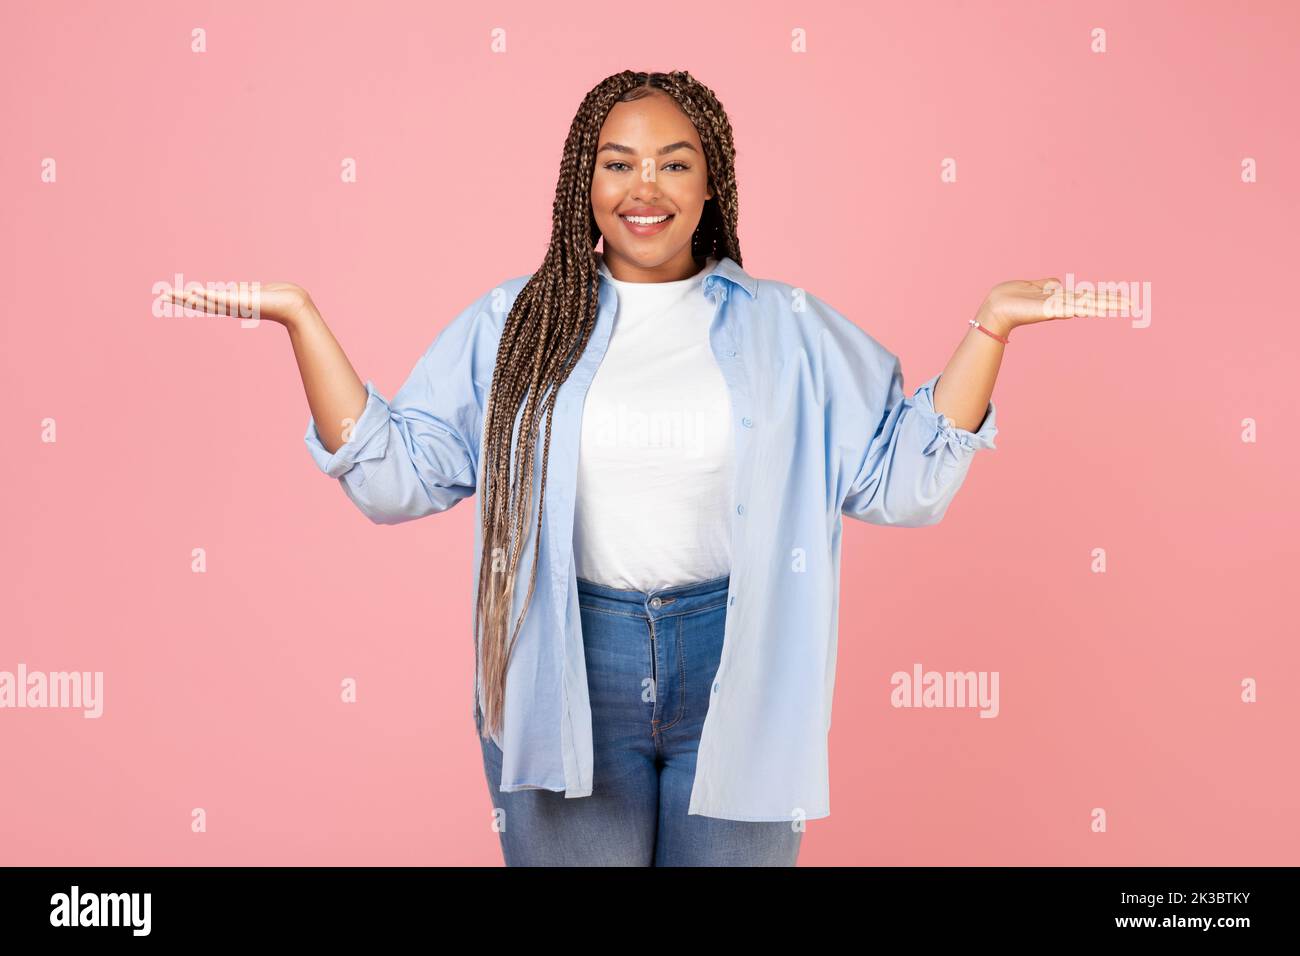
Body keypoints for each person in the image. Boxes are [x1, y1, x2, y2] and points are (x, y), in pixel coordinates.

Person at [169, 69, 1112, 867]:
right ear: (584, 184)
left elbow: (902, 483)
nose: (643, 186)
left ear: (713, 186)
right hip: (562, 661)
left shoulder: (788, 327)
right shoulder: (517, 324)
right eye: (616, 163)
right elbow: (394, 477)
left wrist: (991, 327)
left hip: (740, 659)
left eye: (674, 162)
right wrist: (300, 316)